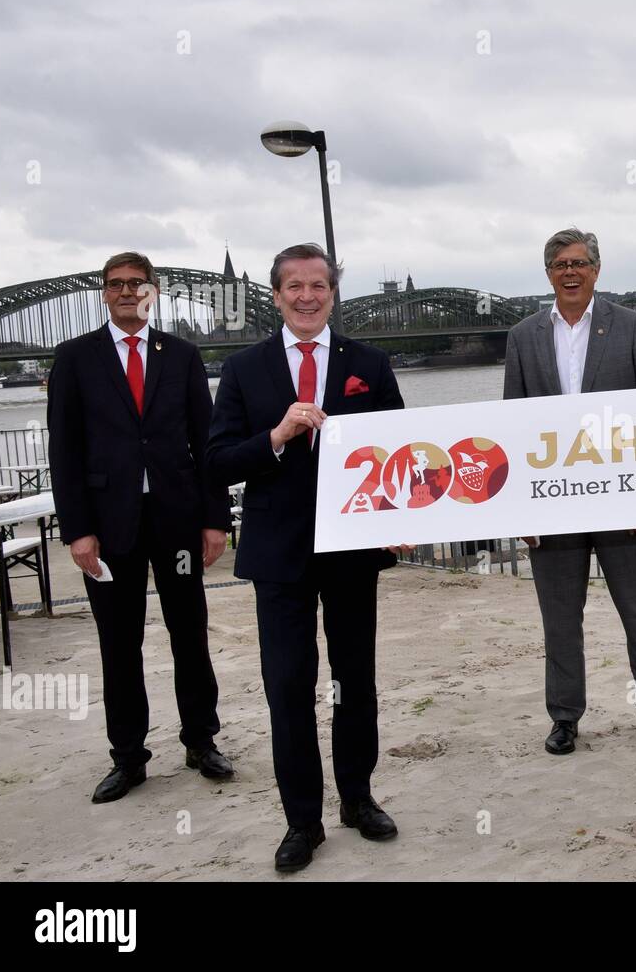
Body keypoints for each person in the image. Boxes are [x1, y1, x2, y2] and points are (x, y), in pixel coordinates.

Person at [206, 243, 404, 872]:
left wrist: (402, 518)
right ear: (276, 295)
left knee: (354, 682)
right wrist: (277, 436)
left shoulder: (369, 363)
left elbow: (399, 452)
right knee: (288, 687)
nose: (307, 296)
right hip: (278, 551)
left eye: (318, 285)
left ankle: (357, 798)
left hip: (351, 549)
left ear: (332, 293)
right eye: (294, 286)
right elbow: (216, 462)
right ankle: (302, 820)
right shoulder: (243, 369)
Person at [47, 251, 233, 804]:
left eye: (137, 284)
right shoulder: (75, 358)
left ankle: (202, 740)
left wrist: (214, 519)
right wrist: (77, 530)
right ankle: (128, 757)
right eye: (116, 285)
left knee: (189, 634)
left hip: (176, 519)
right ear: (104, 293)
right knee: (118, 643)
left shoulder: (181, 355)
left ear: (152, 292)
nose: (127, 292)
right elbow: (65, 451)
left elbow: (208, 445)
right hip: (108, 526)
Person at [503, 227, 636, 756]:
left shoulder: (631, 326)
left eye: (580, 262)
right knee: (559, 617)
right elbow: (514, 422)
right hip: (552, 505)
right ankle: (564, 718)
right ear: (549, 274)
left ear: (597, 270)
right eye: (560, 264)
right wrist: (518, 508)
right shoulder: (523, 335)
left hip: (624, 498)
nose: (571, 272)